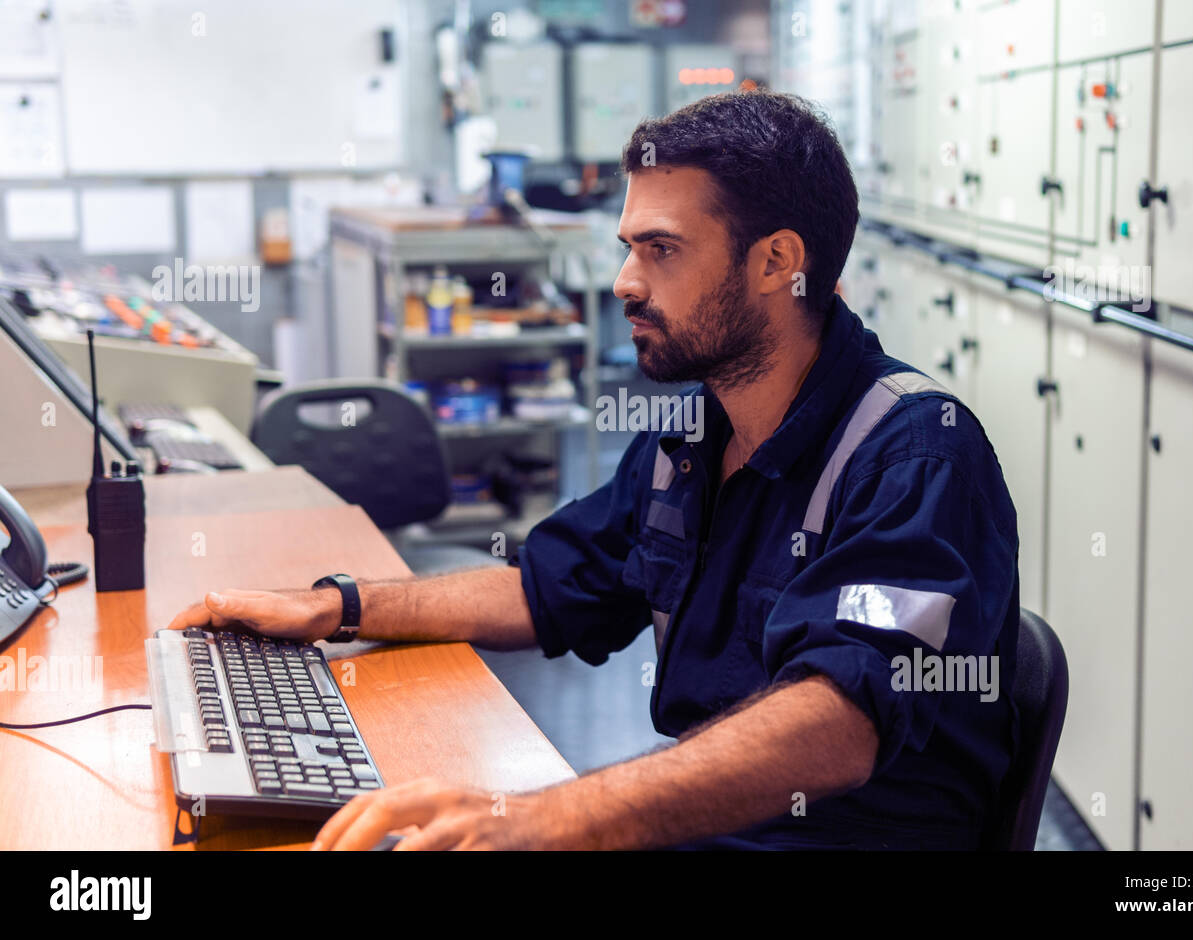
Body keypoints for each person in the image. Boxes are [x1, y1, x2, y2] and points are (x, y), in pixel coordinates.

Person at [170, 89, 1021, 850]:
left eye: (662, 250)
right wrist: (340, 605)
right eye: (628, 247)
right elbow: (547, 582)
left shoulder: (916, 454)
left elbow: (839, 720)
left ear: (775, 262)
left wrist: (548, 816)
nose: (623, 282)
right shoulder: (692, 436)